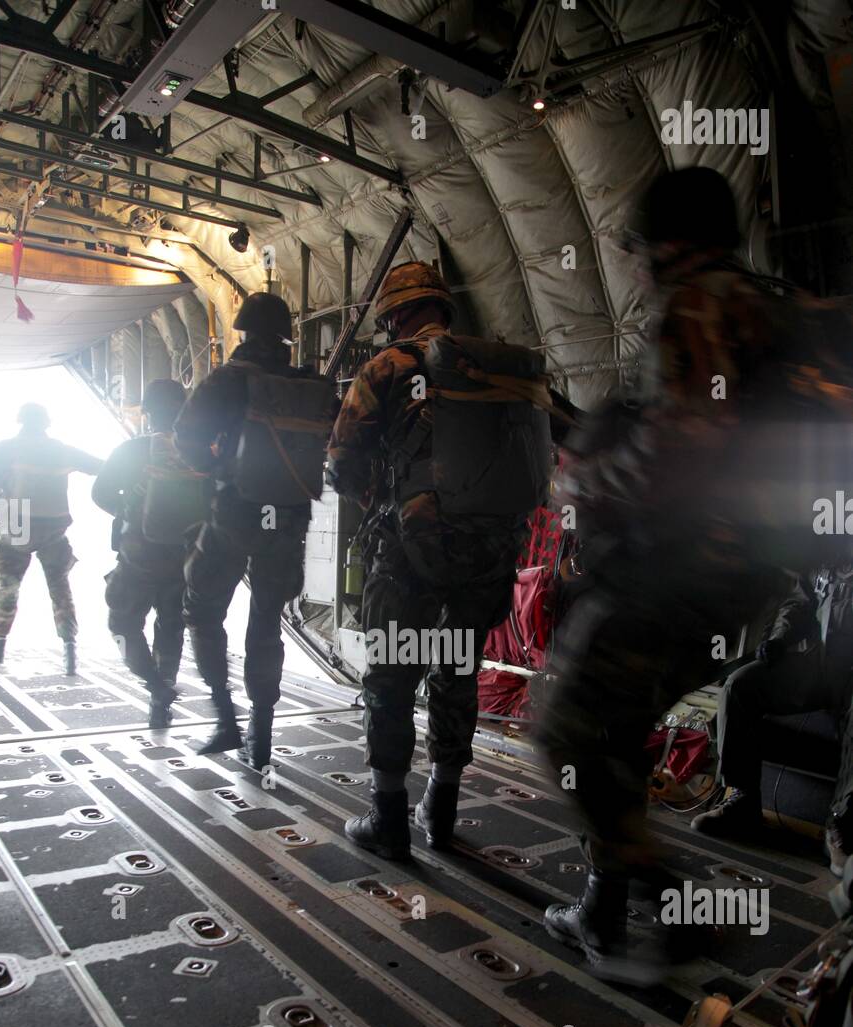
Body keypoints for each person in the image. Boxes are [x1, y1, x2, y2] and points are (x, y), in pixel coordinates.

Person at [535, 167, 791, 980]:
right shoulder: (771, 306)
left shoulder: (697, 303)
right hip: (748, 580)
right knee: (613, 730)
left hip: (677, 573)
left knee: (562, 724)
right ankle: (602, 912)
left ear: (667, 245)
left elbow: (678, 455)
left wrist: (579, 482)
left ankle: (667, 908)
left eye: (640, 249)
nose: (636, 267)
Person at [326, 261, 545, 860]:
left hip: (411, 556)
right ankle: (441, 809)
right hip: (491, 553)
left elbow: (340, 465)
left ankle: (388, 817)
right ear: (444, 309)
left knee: (392, 679)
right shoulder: (496, 367)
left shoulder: (388, 365)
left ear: (394, 314)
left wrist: (388, 498)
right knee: (456, 671)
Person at [175, 293, 327, 770]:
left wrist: (214, 467)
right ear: (286, 335)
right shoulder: (305, 384)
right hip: (287, 520)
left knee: (201, 608)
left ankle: (225, 718)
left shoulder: (228, 380)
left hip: (235, 513)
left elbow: (187, 439)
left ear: (242, 331)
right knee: (266, 620)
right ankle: (261, 733)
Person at [692, 563, 853, 874]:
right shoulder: (829, 543)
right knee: (739, 686)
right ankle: (742, 800)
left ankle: (842, 825)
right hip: (818, 661)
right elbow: (801, 599)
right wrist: (780, 638)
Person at [92, 379, 202, 728]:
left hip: (138, 555)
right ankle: (160, 698)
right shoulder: (200, 451)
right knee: (170, 627)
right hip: (184, 557)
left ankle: (153, 682)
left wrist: (129, 512)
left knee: (122, 623)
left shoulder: (132, 449)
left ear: (148, 412)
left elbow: (101, 493)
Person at [0, 403, 101, 674]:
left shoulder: (6, 448)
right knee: (60, 587)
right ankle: (70, 647)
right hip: (54, 528)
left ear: (21, 421)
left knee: (9, 586)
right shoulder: (61, 450)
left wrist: (0, 513)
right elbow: (101, 466)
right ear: (46, 423)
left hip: (19, 526)